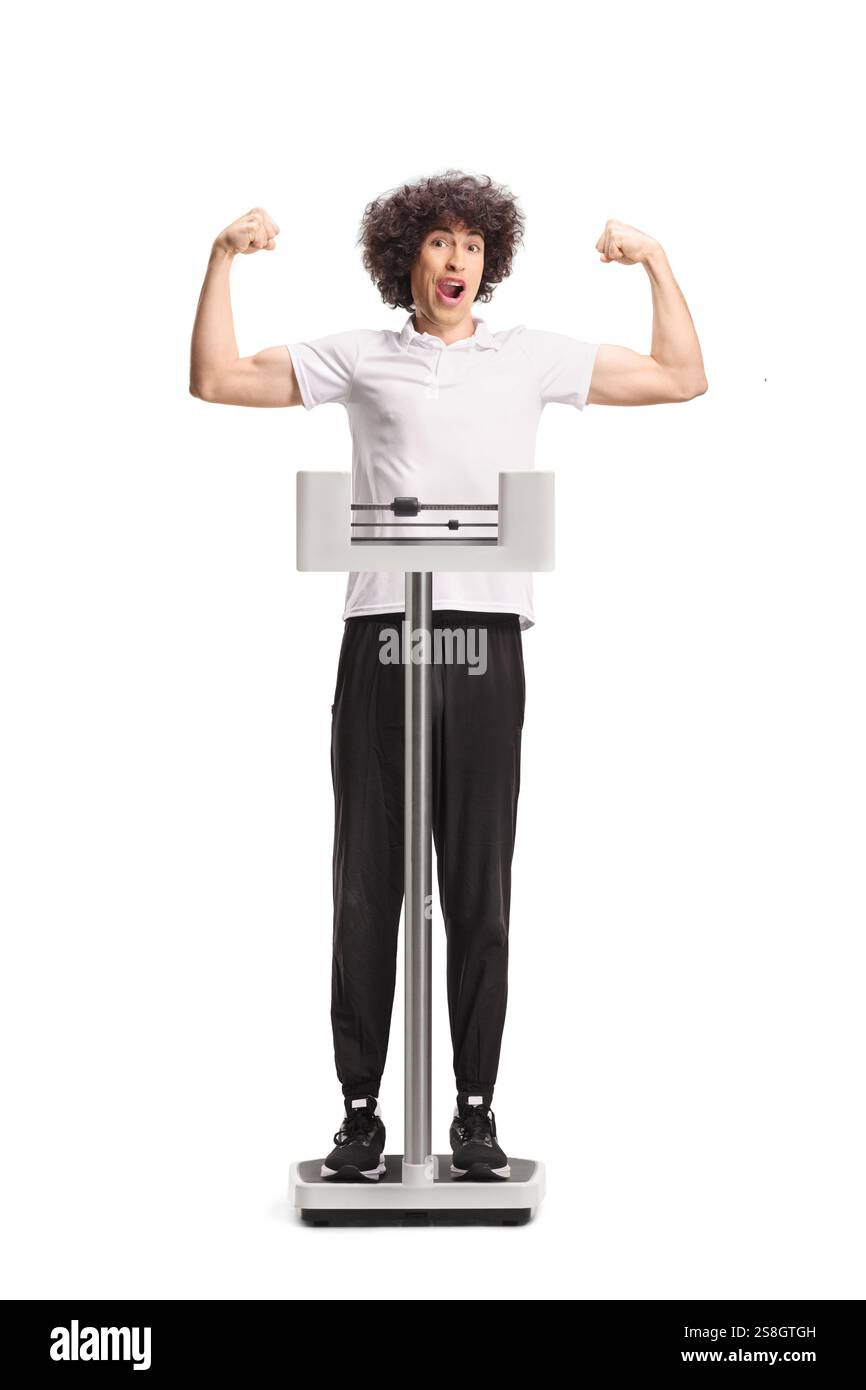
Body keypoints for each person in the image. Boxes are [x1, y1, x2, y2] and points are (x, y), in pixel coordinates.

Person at [189, 170, 708, 1183]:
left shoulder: (527, 360)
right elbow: (215, 378)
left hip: (481, 640)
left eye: (471, 243)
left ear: (490, 261)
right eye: (437, 242)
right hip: (383, 635)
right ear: (405, 258)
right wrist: (220, 258)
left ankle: (473, 1110)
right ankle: (357, 1111)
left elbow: (679, 377)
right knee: (365, 882)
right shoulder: (362, 355)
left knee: (478, 881)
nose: (455, 259)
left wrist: (653, 259)